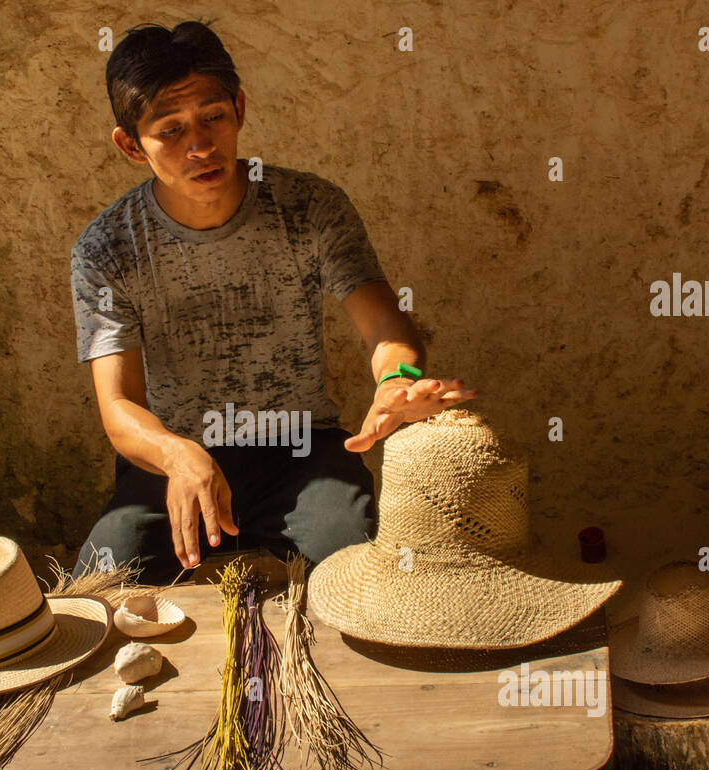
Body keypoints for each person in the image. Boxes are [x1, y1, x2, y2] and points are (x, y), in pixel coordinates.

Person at [70, 20, 477, 584]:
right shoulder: (107, 247)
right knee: (100, 587)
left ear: (238, 107)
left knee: (353, 574)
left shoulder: (308, 206)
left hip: (303, 447)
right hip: (176, 458)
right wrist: (175, 455)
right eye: (170, 130)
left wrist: (396, 379)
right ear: (131, 145)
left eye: (213, 117)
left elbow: (381, 319)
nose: (201, 146)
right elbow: (119, 409)